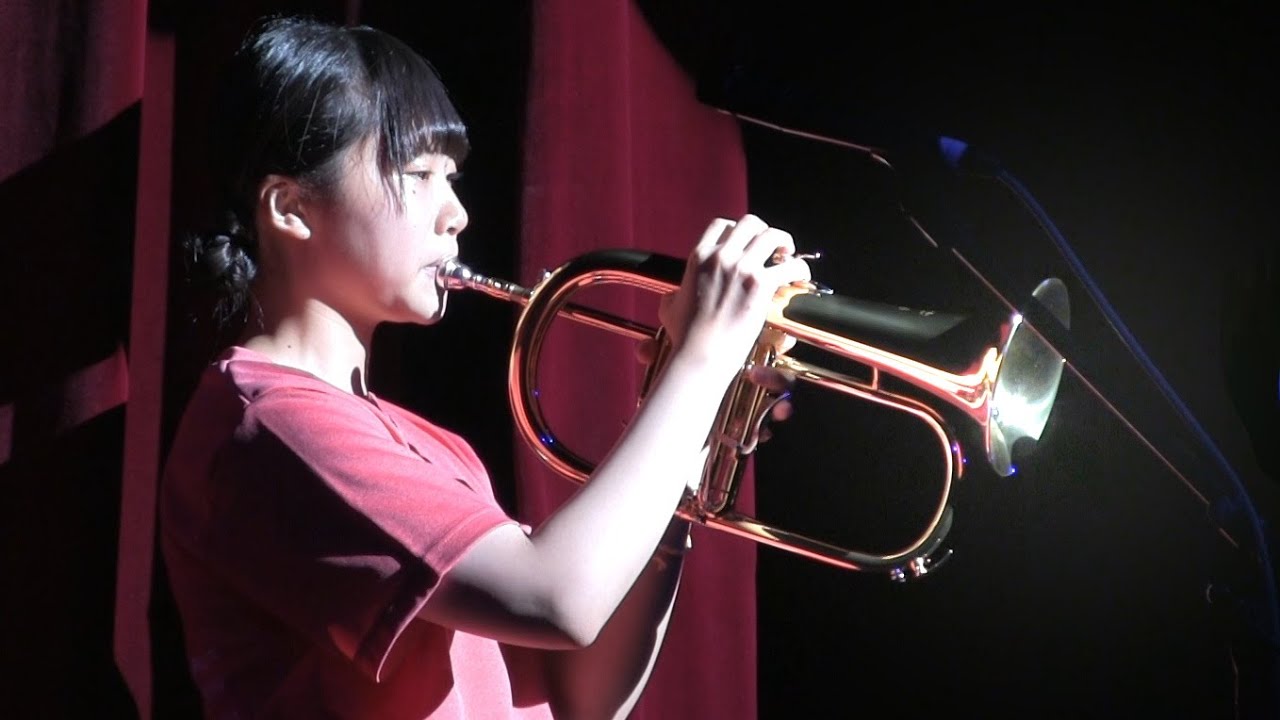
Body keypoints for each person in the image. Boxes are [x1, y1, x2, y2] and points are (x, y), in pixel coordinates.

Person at [159, 14, 811, 719]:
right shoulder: (271, 424)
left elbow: (581, 697)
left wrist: (692, 450)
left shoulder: (431, 448)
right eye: (420, 174)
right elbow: (557, 598)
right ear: (290, 207)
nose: (458, 213)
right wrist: (701, 360)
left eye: (454, 178)